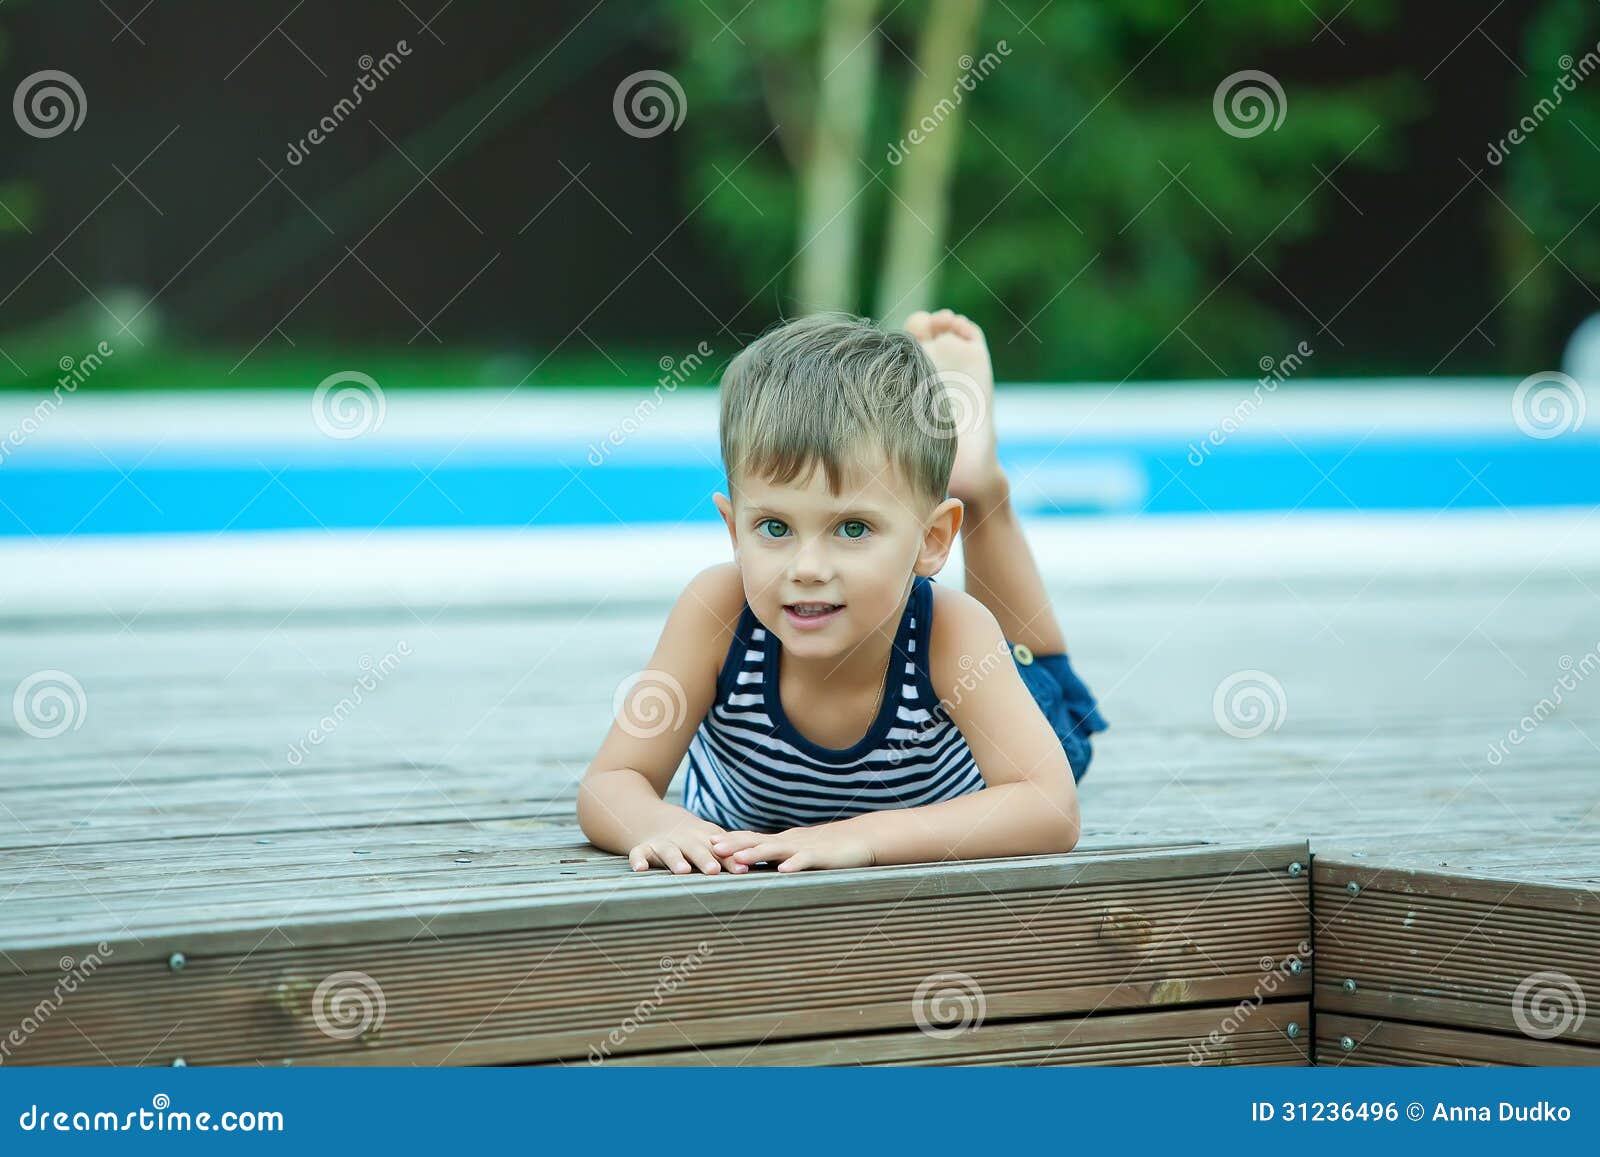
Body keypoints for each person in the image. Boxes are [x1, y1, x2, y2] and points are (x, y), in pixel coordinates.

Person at [577, 309, 1106, 873]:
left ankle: (979, 485)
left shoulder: (950, 633)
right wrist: (660, 824)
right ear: (733, 531)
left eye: (853, 528)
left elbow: (1048, 806)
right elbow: (610, 782)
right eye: (774, 527)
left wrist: (861, 838)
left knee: (1039, 681)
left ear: (931, 540)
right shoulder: (717, 614)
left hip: (989, 740)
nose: (807, 568)